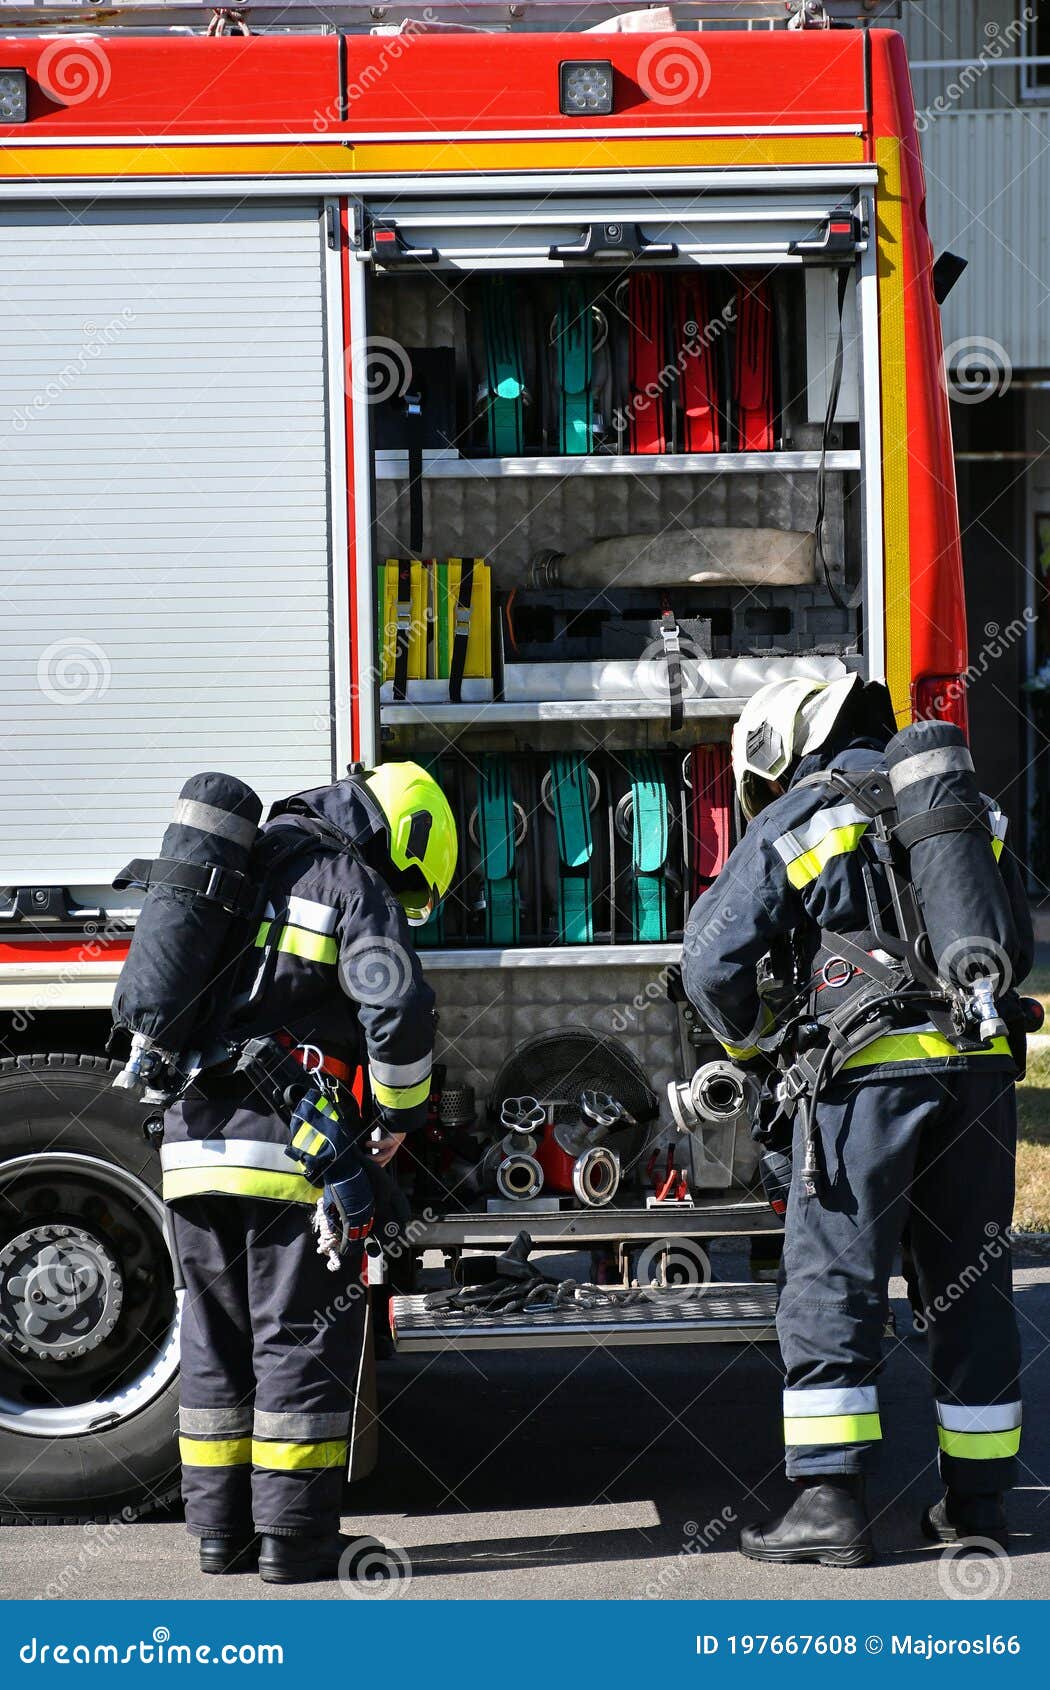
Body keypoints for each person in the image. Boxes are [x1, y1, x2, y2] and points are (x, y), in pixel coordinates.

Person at [682, 677, 1032, 1567]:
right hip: (982, 1074)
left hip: (867, 1080)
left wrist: (758, 1045)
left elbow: (710, 961)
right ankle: (979, 1506)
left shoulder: (804, 812)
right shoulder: (968, 807)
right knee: (970, 1285)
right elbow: (1015, 949)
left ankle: (829, 1504)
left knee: (834, 1279)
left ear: (782, 744)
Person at [160, 763, 456, 1584]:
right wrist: (398, 1117)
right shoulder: (347, 882)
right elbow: (397, 1008)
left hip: (190, 1146)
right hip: (287, 1151)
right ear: (405, 837)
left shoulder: (237, 866)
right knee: (295, 1336)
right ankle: (294, 1542)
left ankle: (220, 1536)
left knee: (213, 1340)